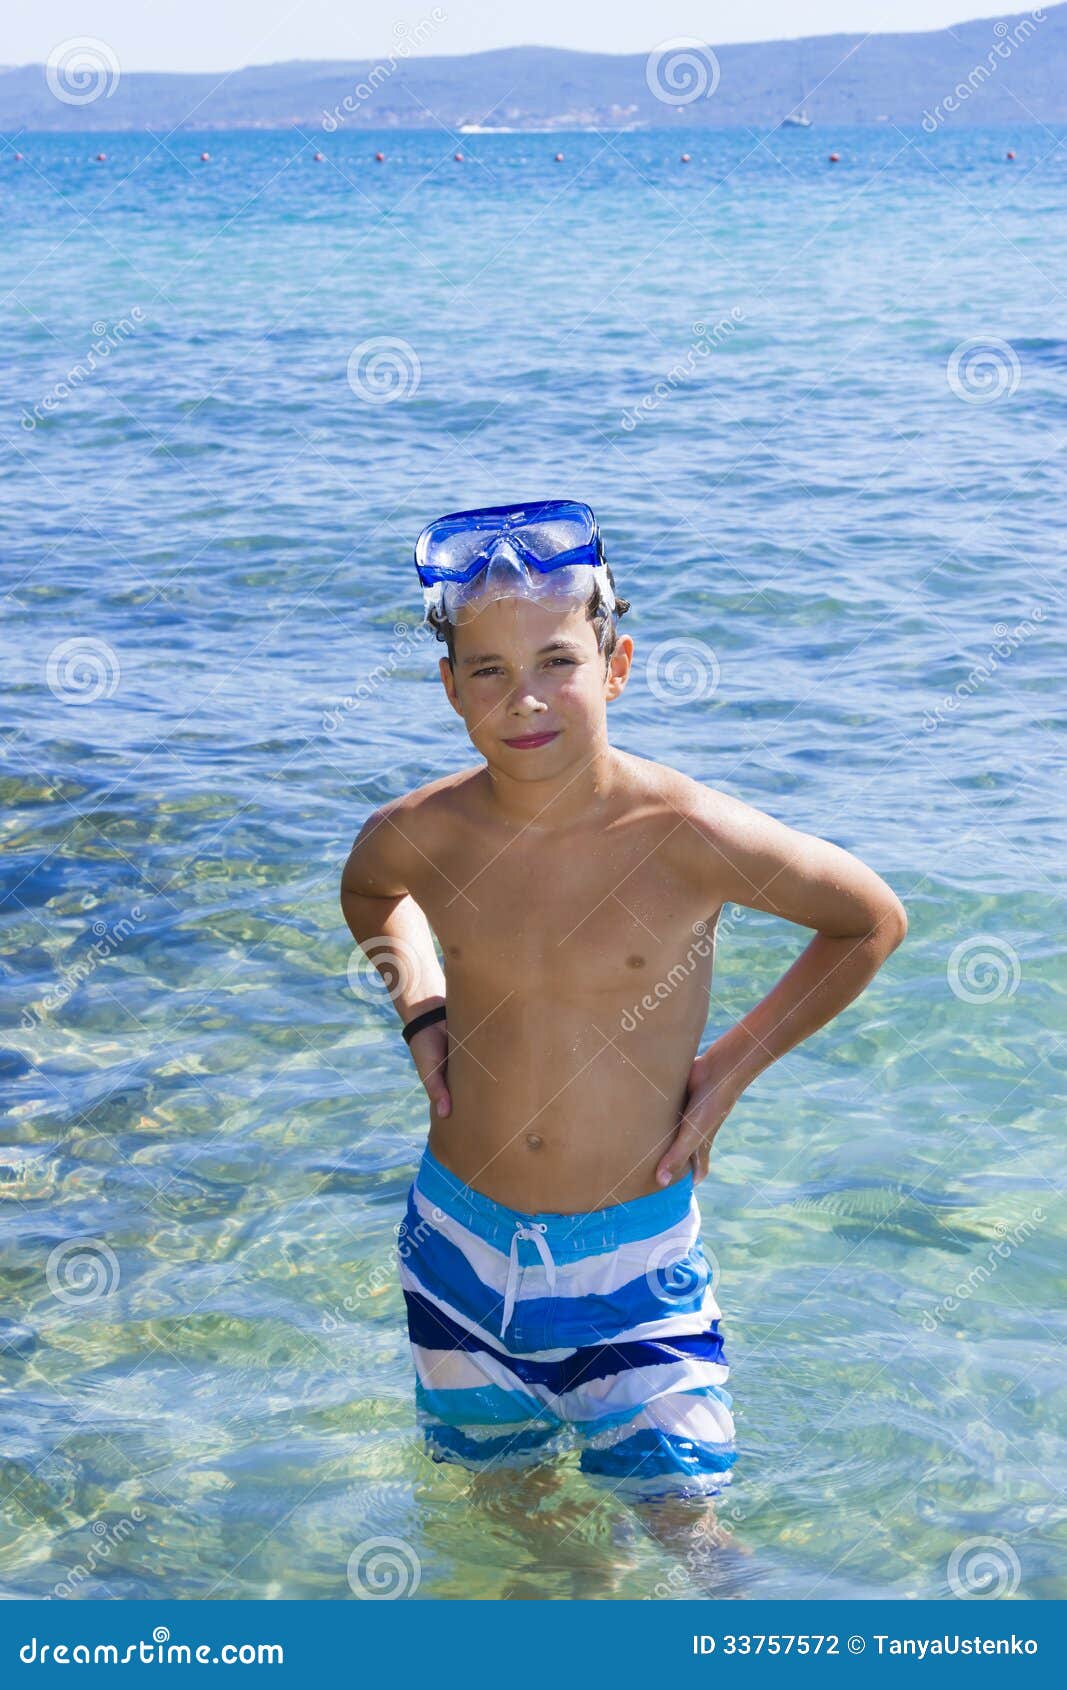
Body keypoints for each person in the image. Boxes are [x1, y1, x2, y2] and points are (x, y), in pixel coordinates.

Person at [339, 499, 907, 1548]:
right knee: (518, 1524)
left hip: (634, 1270)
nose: (525, 701)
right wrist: (420, 1009)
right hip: (455, 1248)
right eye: (488, 671)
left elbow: (866, 920)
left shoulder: (682, 834)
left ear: (616, 662)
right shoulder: (422, 832)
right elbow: (369, 895)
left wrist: (727, 1068)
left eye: (555, 661)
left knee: (691, 1536)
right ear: (449, 686)